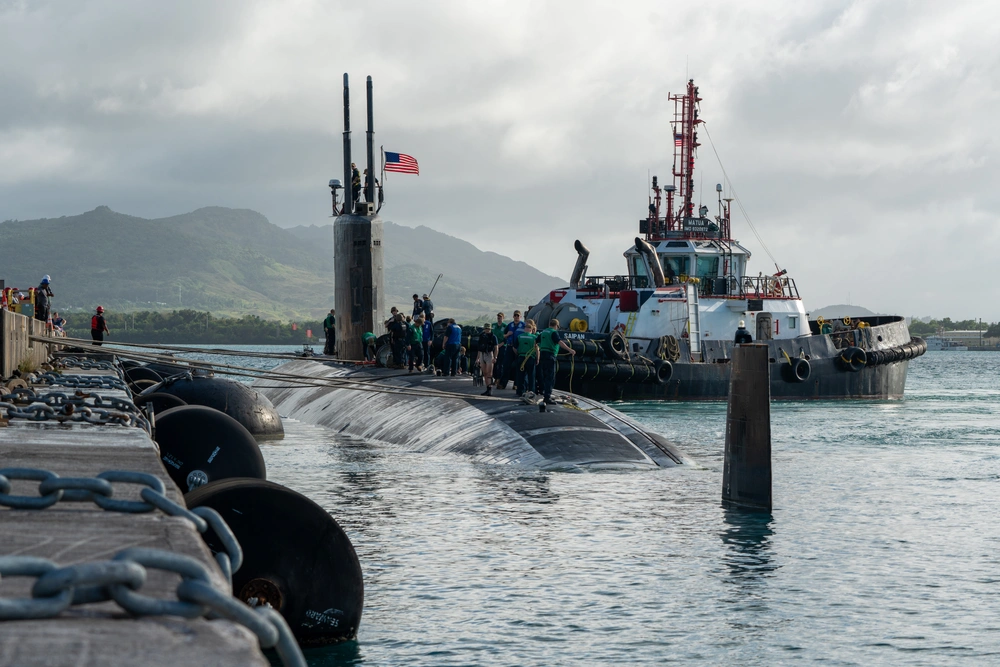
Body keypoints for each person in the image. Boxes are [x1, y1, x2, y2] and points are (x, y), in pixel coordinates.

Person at [537, 319, 576, 403]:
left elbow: (536, 341)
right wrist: (570, 350)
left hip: (543, 355)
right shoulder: (553, 332)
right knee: (550, 377)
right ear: (556, 326)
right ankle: (547, 397)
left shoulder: (543, 332)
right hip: (550, 355)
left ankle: (544, 392)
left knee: (544, 375)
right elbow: (560, 342)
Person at [498, 311, 524, 390]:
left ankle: (516, 384)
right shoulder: (509, 325)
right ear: (513, 316)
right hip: (510, 347)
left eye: (518, 316)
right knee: (506, 365)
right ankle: (502, 383)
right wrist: (507, 335)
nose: (516, 317)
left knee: (518, 366)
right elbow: (504, 336)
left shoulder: (523, 325)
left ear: (520, 317)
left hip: (519, 348)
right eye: (515, 316)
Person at [514, 319, 539, 397]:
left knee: (520, 375)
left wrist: (518, 354)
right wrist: (537, 359)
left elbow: (514, 348)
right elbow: (537, 349)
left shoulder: (519, 336)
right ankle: (531, 391)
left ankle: (520, 391)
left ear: (525, 329)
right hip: (530, 358)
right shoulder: (534, 337)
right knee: (531, 376)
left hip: (521, 357)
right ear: (531, 330)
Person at [478, 323, 499, 396]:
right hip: (482, 354)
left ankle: (490, 388)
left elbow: (496, 348)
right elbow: (479, 348)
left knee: (489, 372)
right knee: (484, 373)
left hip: (489, 354)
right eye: (486, 329)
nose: (487, 330)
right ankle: (487, 388)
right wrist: (477, 358)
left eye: (488, 329)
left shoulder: (493, 337)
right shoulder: (481, 336)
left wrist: (495, 357)